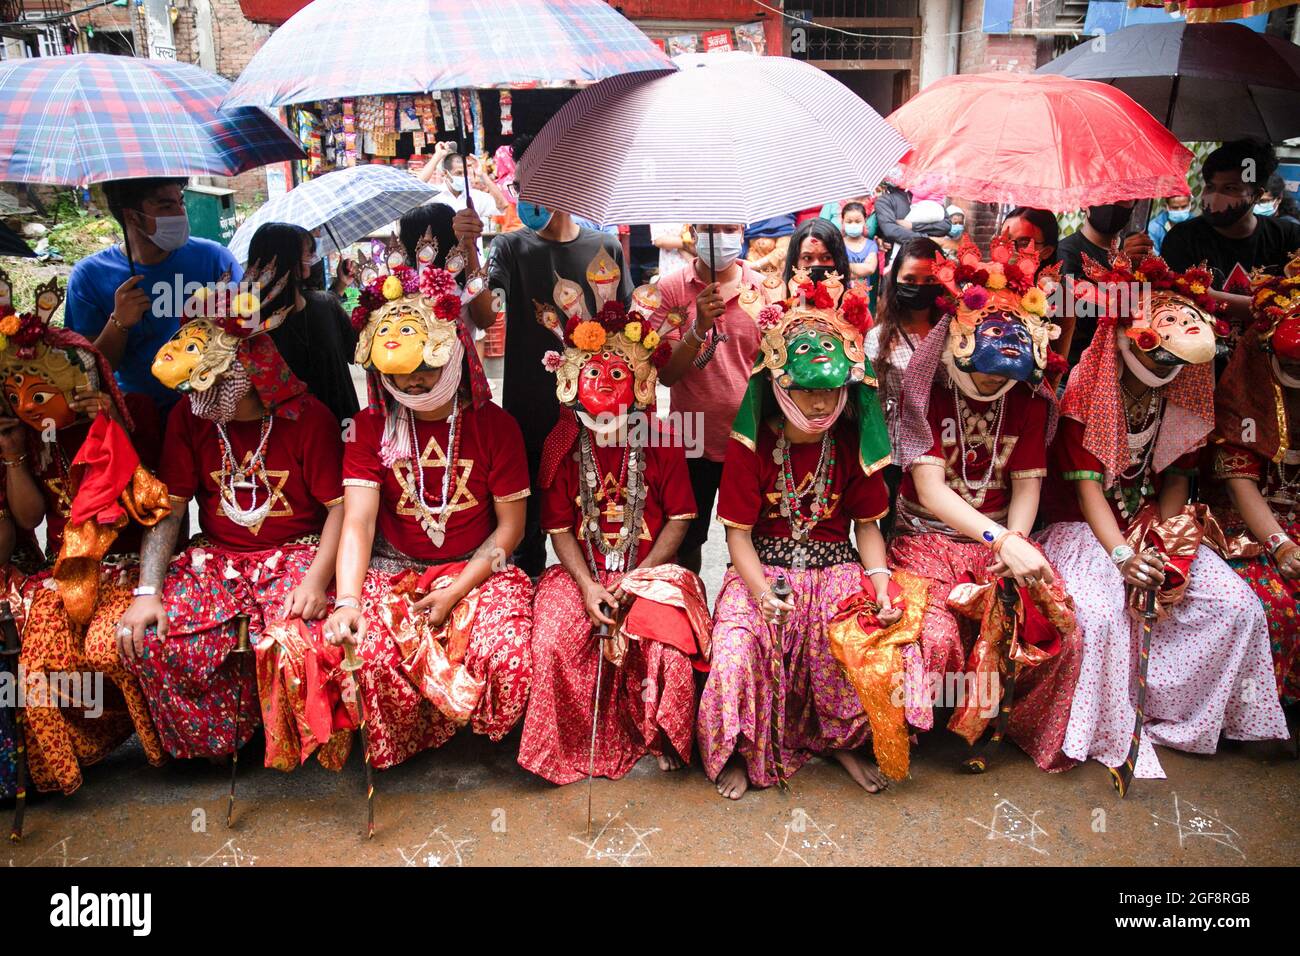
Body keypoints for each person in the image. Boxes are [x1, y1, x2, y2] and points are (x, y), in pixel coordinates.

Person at [1037, 252, 1287, 778]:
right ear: (1124, 341)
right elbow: (1089, 497)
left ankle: (1181, 720)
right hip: (1084, 530)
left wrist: (1166, 541)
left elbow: (1175, 475)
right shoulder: (1086, 396)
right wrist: (1126, 555)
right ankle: (1107, 722)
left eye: (1177, 363)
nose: (1167, 371)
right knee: (1104, 614)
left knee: (1236, 606)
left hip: (1149, 521)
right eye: (1159, 358)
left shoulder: (1180, 394)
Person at [112, 265, 345, 765]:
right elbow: (171, 510)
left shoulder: (309, 419)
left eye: (213, 387)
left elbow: (340, 510)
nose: (199, 401)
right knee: (153, 640)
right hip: (215, 561)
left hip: (296, 557)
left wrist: (317, 579)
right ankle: (220, 744)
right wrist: (147, 592)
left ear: (252, 375)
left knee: (301, 644)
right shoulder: (188, 418)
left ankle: (297, 744)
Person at [320, 250, 533, 769]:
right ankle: (410, 738)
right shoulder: (369, 429)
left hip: (480, 571)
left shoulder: (496, 428)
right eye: (403, 370)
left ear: (455, 353)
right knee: (366, 657)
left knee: (504, 655)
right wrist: (347, 600)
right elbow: (359, 523)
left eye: (426, 367)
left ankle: (470, 737)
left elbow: (511, 532)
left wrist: (457, 589)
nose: (414, 381)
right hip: (395, 569)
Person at [699, 270, 896, 799]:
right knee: (737, 649)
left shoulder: (850, 436)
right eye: (805, 390)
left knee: (872, 641)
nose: (818, 405)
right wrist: (762, 595)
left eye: (830, 390)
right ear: (778, 383)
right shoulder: (749, 441)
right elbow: (737, 537)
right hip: (763, 570)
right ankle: (741, 749)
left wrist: (880, 587)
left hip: (835, 567)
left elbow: (867, 528)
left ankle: (842, 741)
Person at [888, 236, 1081, 773]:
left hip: (1001, 537)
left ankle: (1014, 727)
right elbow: (929, 490)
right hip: (926, 537)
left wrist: (1015, 544)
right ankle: (924, 733)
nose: (996, 381)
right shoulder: (924, 388)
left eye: (1006, 372)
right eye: (988, 369)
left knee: (1058, 618)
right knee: (933, 633)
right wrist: (1005, 543)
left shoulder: (1027, 398)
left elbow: (1026, 488)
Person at [519, 284, 709, 784]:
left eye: (619, 372)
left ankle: (659, 733)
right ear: (570, 380)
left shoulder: (664, 435)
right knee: (555, 641)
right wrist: (587, 587)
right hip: (582, 572)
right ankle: (571, 744)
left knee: (665, 643)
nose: (605, 383)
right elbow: (558, 528)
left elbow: (682, 517)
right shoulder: (561, 443)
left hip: (652, 571)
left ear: (641, 383)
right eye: (594, 372)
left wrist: (639, 580)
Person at [0, 270, 169, 795]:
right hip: (59, 576)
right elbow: (29, 519)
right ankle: (62, 773)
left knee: (105, 649)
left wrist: (111, 429)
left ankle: (160, 751)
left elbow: (154, 504)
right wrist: (14, 453)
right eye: (15, 390)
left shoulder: (127, 413)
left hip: (119, 570)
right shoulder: (28, 438)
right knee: (36, 665)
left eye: (40, 388)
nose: (28, 402)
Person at [468, 134, 630, 577]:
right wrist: (468, 252)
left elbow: (629, 332)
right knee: (529, 530)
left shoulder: (605, 249)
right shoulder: (510, 248)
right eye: (521, 186)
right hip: (530, 409)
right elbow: (484, 316)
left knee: (600, 513)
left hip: (597, 411)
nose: (528, 195)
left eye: (539, 183)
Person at [651, 224, 781, 575]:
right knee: (685, 541)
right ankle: (692, 612)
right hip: (691, 437)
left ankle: (741, 613)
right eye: (711, 228)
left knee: (753, 540)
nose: (721, 236)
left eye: (729, 228)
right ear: (694, 232)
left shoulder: (764, 287)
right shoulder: (671, 287)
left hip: (752, 437)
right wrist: (697, 327)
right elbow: (664, 375)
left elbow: (778, 367)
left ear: (741, 231)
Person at [64, 178, 241, 419]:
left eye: (181, 203)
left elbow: (249, 336)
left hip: (211, 413)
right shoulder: (89, 277)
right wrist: (118, 323)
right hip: (138, 417)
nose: (180, 214)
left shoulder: (214, 260)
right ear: (132, 216)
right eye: (166, 207)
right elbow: (87, 371)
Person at [1209, 251, 1300, 707]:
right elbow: (1238, 479)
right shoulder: (1248, 389)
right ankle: (1262, 711)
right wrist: (1281, 544)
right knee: (1276, 608)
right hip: (1250, 528)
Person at [1163, 141, 1300, 322]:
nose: (1215, 197)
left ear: (1256, 196)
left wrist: (1214, 297)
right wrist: (1267, 307)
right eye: (1210, 187)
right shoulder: (1182, 238)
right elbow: (1179, 303)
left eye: (1230, 188)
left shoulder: (1289, 236)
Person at [864, 237, 945, 528]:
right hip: (894, 448)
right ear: (895, 279)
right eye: (910, 278)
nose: (919, 286)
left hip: (944, 444)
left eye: (930, 279)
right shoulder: (880, 336)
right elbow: (869, 403)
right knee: (890, 524)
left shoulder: (957, 330)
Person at [245, 223, 360, 424]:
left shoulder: (326, 305)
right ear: (290, 261)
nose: (311, 260)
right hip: (293, 432)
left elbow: (357, 351)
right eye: (307, 254)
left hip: (339, 423)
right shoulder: (248, 328)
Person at [1055, 201, 1153, 365]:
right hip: (1080, 366)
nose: (1113, 205)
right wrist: (1121, 268)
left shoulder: (1136, 251)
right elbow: (1079, 317)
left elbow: (1148, 307)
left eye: (1123, 199)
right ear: (1083, 203)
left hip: (1126, 365)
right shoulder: (1067, 252)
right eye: (1103, 198)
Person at [874, 181, 951, 268]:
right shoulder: (884, 201)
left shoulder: (925, 194)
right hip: (899, 262)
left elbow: (946, 225)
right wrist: (927, 239)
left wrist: (913, 226)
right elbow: (891, 230)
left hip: (929, 259)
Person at [782, 217, 851, 288]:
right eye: (807, 258)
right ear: (794, 261)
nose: (816, 264)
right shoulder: (780, 297)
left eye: (826, 258)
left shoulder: (851, 297)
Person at [841, 202, 878, 290]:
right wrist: (861, 269)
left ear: (865, 220)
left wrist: (844, 266)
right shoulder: (839, 244)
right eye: (849, 221)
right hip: (841, 295)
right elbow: (836, 272)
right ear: (842, 221)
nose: (853, 225)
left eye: (858, 221)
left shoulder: (871, 245)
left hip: (862, 296)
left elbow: (870, 269)